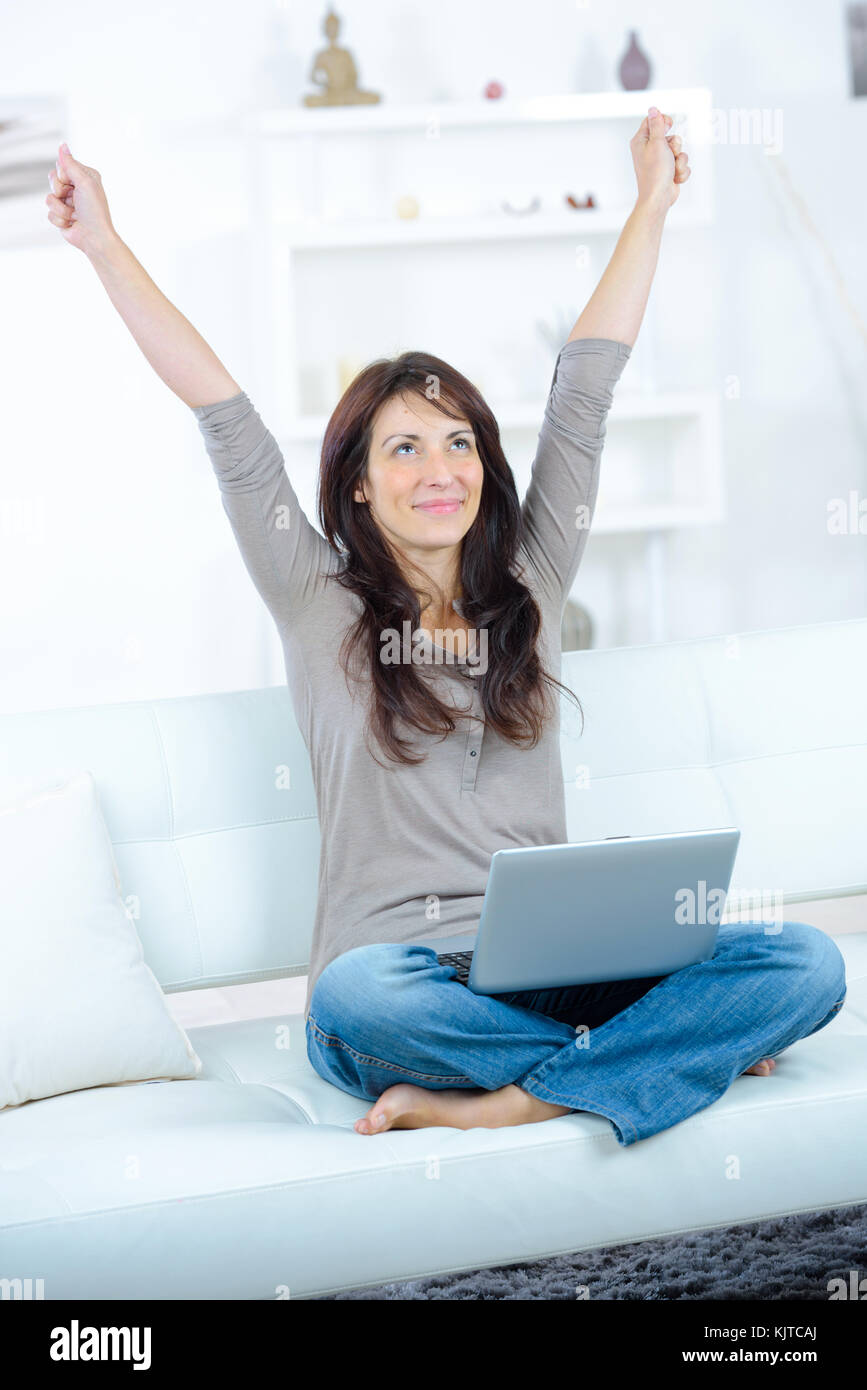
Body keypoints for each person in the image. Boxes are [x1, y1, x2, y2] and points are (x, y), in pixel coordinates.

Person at [46, 109, 847, 1148]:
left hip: (556, 984)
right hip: (403, 991)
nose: (441, 470)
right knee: (356, 998)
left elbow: (584, 394)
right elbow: (226, 418)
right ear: (362, 489)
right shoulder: (316, 600)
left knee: (807, 963)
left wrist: (650, 204)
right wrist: (104, 243)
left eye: (459, 442)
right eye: (407, 449)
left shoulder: (533, 581)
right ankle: (664, 1054)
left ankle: (518, 1101)